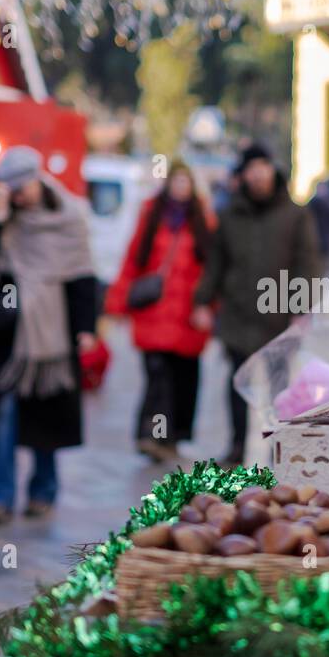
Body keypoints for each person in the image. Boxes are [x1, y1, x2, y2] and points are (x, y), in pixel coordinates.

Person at [0, 146, 98, 525]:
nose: (18, 196)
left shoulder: (70, 215)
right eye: (11, 190)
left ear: (37, 178)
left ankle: (43, 492)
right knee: (5, 415)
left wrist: (85, 328)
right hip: (11, 333)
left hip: (53, 333)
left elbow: (82, 275)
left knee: (46, 413)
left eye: (22, 188)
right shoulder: (7, 219)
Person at [191, 143, 320, 466]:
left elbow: (308, 264)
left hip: (277, 315)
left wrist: (300, 308)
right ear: (243, 175)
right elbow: (216, 262)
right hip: (237, 313)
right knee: (236, 383)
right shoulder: (229, 214)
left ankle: (280, 447)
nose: (258, 173)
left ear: (272, 169)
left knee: (279, 387)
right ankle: (236, 448)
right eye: (252, 167)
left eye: (263, 165)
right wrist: (203, 300)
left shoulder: (295, 214)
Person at [105, 160, 214, 463]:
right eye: (176, 181)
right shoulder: (151, 215)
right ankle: (150, 435)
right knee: (157, 378)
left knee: (184, 380)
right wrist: (116, 302)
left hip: (187, 316)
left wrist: (209, 306)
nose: (180, 187)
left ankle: (174, 437)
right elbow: (132, 259)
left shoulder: (203, 219)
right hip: (154, 313)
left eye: (185, 182)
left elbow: (212, 267)